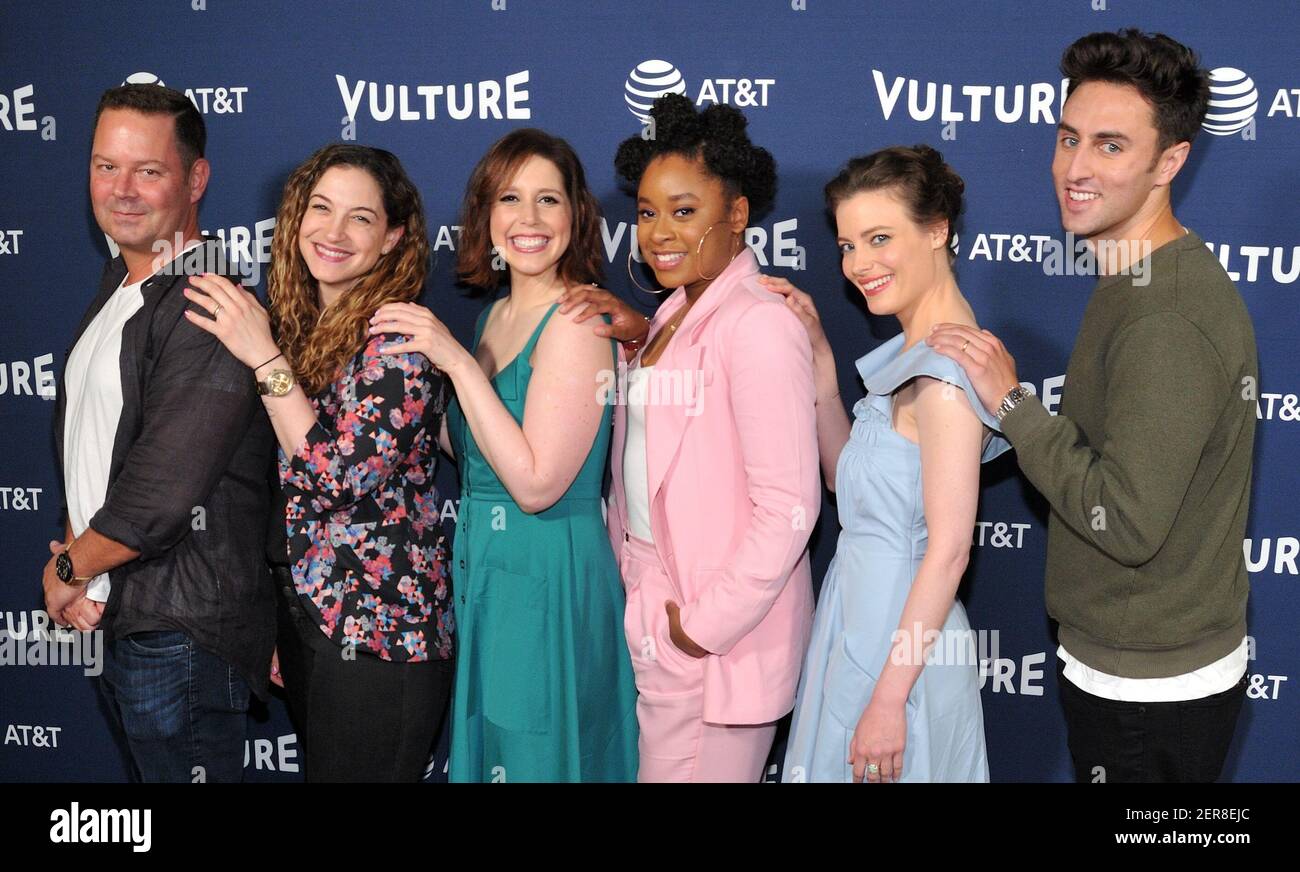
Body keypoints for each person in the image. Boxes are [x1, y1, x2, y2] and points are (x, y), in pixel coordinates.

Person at [928, 30, 1256, 783]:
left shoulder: (1162, 318)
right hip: (1144, 666)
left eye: (1110, 147)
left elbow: (1129, 520)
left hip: (1145, 688)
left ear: (1168, 162)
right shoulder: (1143, 279)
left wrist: (1013, 404)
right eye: (1069, 137)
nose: (1074, 169)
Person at [370, 128, 638, 782]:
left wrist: (455, 361)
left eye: (549, 199)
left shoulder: (576, 322)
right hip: (488, 573)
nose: (528, 218)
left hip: (546, 572)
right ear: (486, 217)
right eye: (510, 198)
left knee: (538, 759)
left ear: (576, 218)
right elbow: (478, 448)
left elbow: (536, 483)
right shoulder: (494, 316)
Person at [184, 144, 455, 782]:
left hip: (380, 634)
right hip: (314, 619)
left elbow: (334, 478)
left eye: (360, 218)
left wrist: (264, 359)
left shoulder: (397, 341)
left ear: (392, 238)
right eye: (321, 208)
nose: (333, 232)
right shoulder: (312, 327)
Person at [582, 94, 820, 782]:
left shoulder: (759, 324)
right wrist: (635, 339)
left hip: (714, 636)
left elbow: (790, 508)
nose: (659, 232)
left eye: (684, 212)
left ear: (737, 214)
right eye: (649, 212)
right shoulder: (673, 311)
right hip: (653, 599)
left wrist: (696, 629)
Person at [45, 83, 274, 782]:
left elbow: (162, 490)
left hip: (182, 631)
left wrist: (68, 569)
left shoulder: (208, 299)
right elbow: (99, 451)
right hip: (127, 615)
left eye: (148, 170)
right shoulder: (121, 284)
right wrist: (80, 567)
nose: (121, 190)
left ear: (196, 178)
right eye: (105, 166)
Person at [767, 146, 1009, 783]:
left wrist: (888, 699)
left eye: (880, 238)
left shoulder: (948, 374)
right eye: (848, 245)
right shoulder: (913, 350)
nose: (859, 265)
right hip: (856, 624)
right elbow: (840, 475)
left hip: (901, 655)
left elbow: (950, 550)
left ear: (937, 231)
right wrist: (821, 356)